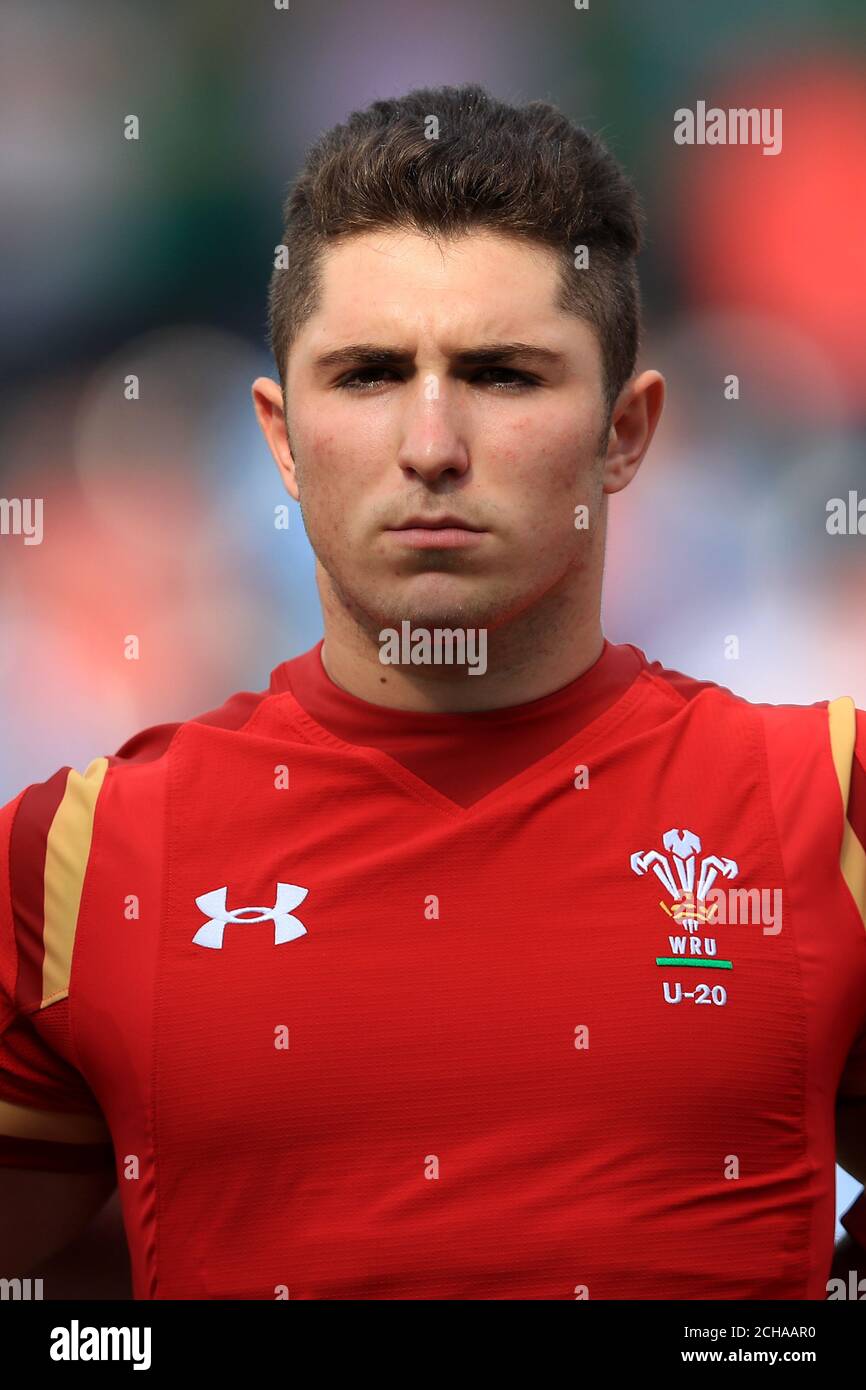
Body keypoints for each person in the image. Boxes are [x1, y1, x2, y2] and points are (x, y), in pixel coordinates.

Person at [2, 83, 865, 1301]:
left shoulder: (826, 798)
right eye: (364, 373)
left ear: (626, 433)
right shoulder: (81, 852)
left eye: (503, 374)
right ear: (280, 436)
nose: (430, 443)